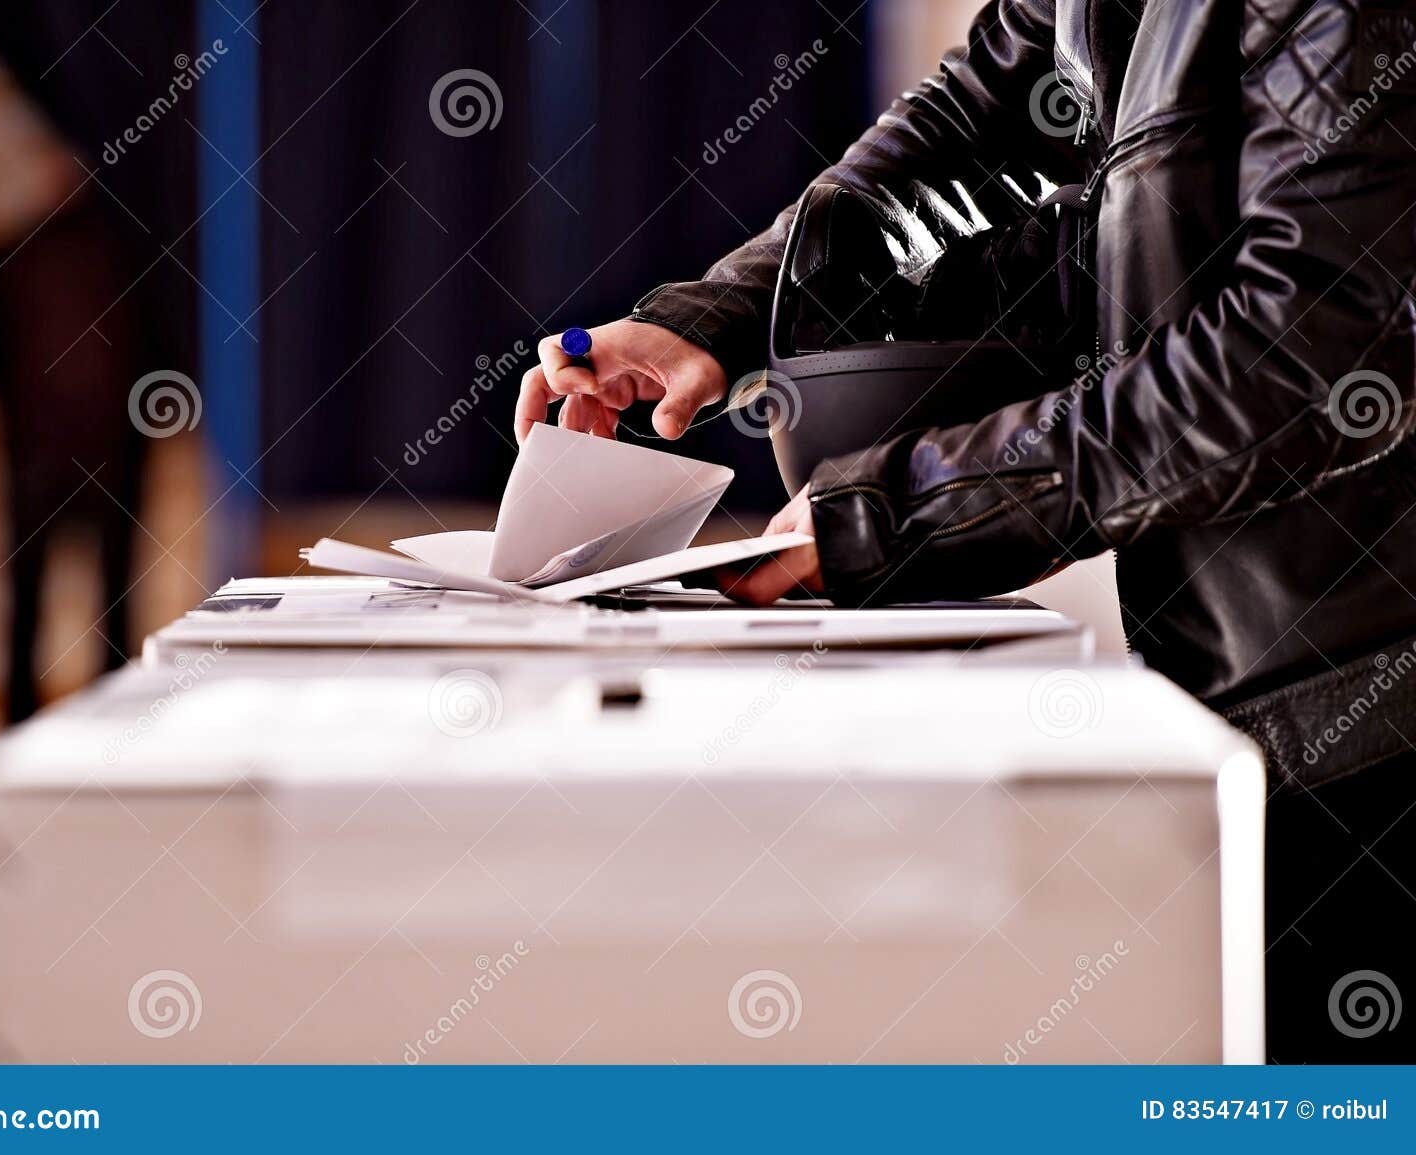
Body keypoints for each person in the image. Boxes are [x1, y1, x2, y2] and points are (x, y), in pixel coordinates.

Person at [516, 0, 1416, 1063]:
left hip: (1369, 710)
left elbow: (1312, 362)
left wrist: (902, 513)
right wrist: (710, 317)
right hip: (1244, 698)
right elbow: (974, 126)